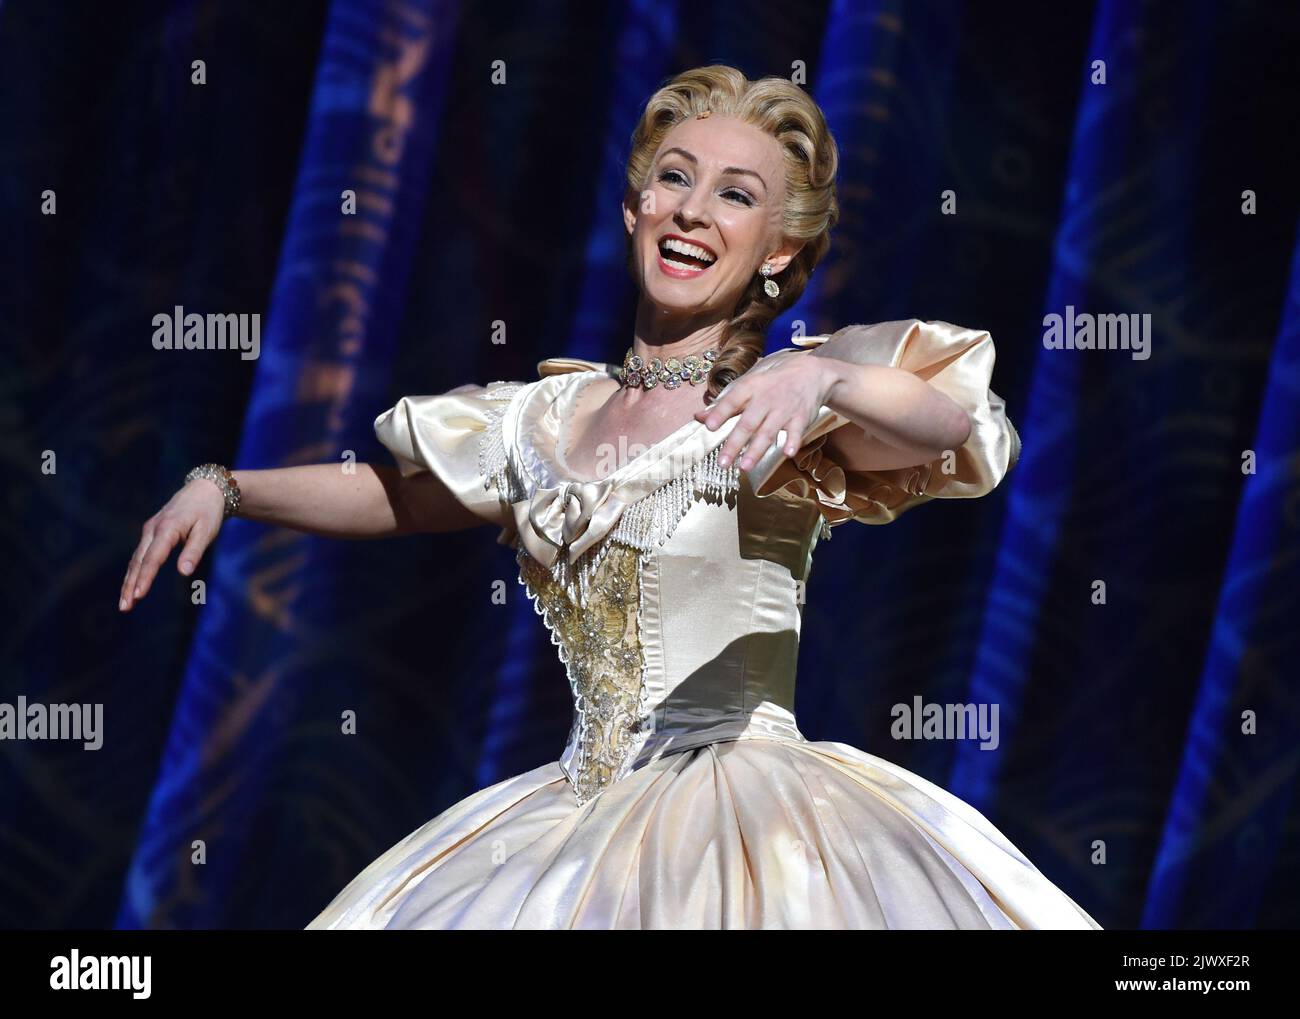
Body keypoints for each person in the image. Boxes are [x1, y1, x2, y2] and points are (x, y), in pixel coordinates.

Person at [120, 65, 1101, 930]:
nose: (691, 210)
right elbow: (400, 495)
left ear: (773, 252)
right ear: (633, 208)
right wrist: (229, 487)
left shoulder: (778, 390)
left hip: (743, 805)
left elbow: (947, 422)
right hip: (577, 810)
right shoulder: (548, 414)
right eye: (674, 177)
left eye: (734, 194)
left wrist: (827, 383)